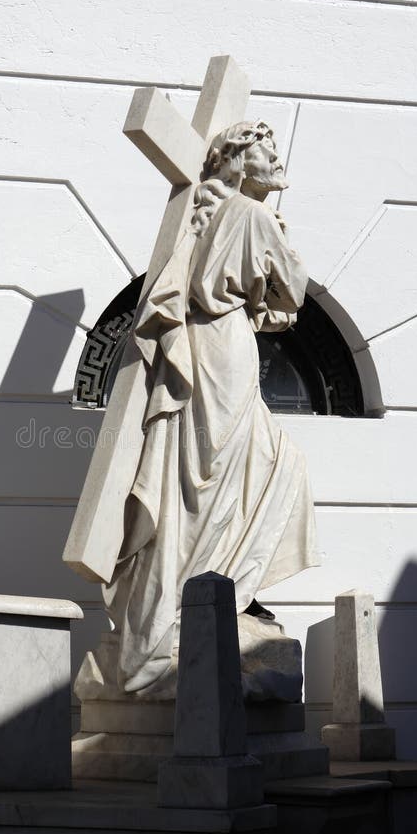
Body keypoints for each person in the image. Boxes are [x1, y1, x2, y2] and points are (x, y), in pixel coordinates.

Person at [87, 121, 319, 695]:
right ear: (241, 161)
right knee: (251, 465)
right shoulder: (254, 215)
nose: (276, 158)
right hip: (229, 347)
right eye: (266, 150)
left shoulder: (205, 212)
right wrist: (277, 248)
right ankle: (205, 599)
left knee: (195, 479)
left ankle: (181, 598)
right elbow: (293, 290)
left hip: (196, 344)